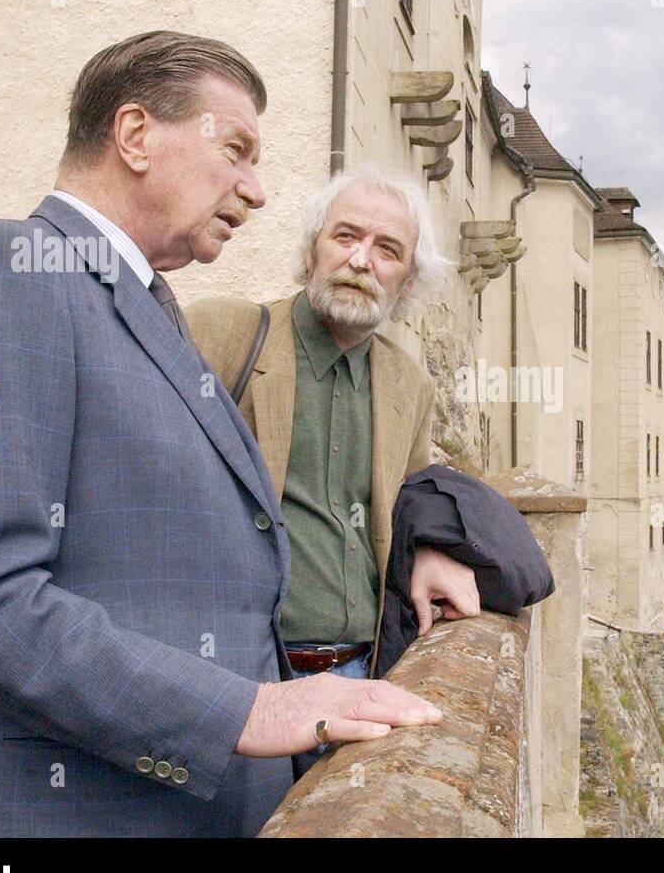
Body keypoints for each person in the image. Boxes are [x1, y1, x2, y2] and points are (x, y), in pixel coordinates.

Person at [0, 31, 440, 837]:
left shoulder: (148, 308)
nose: (254, 190)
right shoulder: (9, 268)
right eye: (238, 150)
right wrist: (247, 709)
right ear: (136, 134)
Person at [186, 168, 480, 777]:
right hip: (246, 678)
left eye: (387, 250)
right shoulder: (222, 335)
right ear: (313, 248)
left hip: (359, 675)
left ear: (406, 280)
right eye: (345, 237)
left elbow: (415, 493)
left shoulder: (408, 382)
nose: (361, 260)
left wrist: (430, 548)